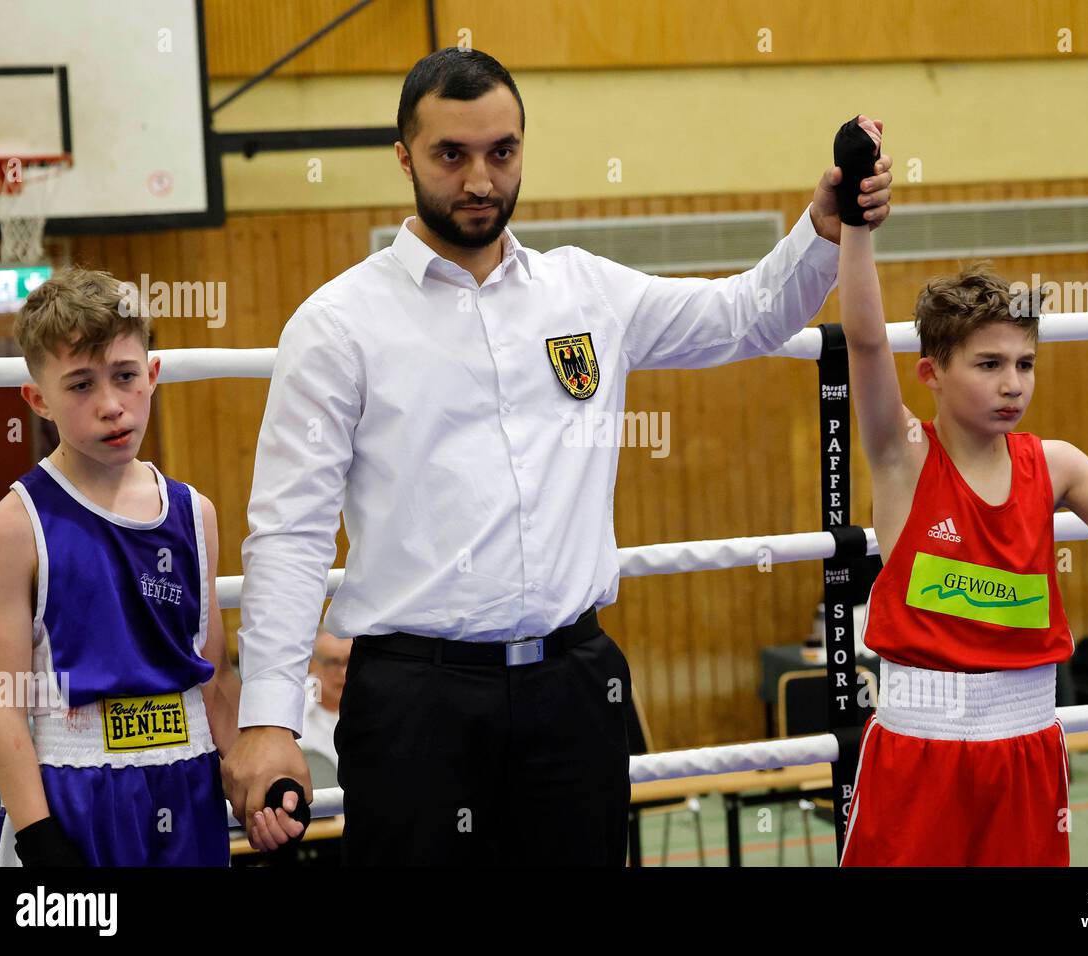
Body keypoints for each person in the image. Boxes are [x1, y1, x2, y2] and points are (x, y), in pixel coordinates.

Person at [222, 48, 894, 866]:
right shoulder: (337, 324)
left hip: (574, 686)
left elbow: (744, 317)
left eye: (501, 153)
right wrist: (266, 720)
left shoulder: (585, 293)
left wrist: (819, 232)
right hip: (415, 703)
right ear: (404, 157)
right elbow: (289, 532)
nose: (480, 179)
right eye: (451, 155)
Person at [830, 117, 1088, 865]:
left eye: (1025, 364)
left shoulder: (1055, 465)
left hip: (1026, 747)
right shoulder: (903, 456)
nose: (1012, 384)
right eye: (989, 364)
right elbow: (866, 341)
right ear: (932, 372)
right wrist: (859, 223)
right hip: (919, 747)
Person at [0, 267, 241, 866]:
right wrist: (36, 832)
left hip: (188, 782)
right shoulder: (17, 525)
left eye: (124, 377)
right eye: (80, 386)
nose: (111, 406)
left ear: (151, 377)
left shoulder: (195, 513)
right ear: (38, 399)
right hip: (69, 786)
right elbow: (1, 700)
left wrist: (251, 779)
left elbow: (215, 675)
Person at [297, 627, 351, 784]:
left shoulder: (376, 702)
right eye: (333, 662)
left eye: (350, 660)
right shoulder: (291, 706)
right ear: (312, 664)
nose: (344, 672)